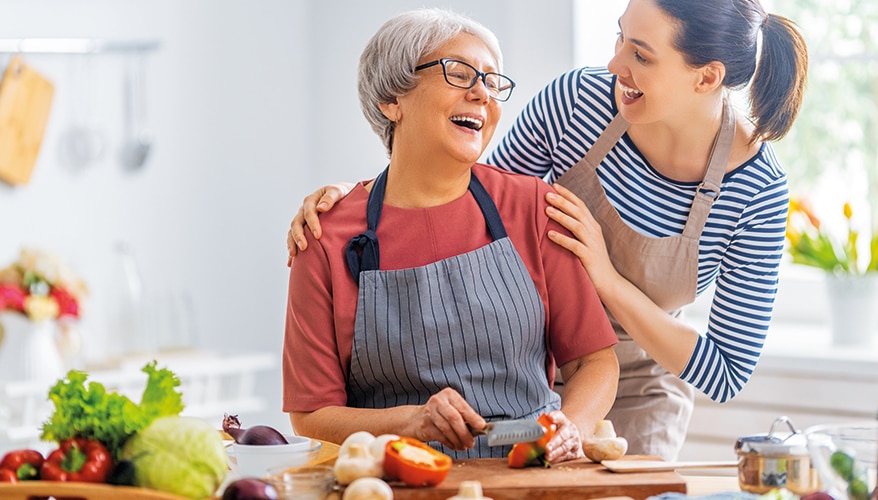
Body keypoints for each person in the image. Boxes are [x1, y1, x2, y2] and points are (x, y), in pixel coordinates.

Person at [287, 0, 807, 461]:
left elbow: (725, 372)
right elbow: (463, 188)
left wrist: (606, 278)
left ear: (707, 78)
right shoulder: (579, 102)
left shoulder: (757, 190)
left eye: (642, 55)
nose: (615, 64)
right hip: (523, 349)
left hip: (635, 376)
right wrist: (359, 199)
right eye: (620, 37)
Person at [281, 8, 620, 462]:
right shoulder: (325, 236)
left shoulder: (536, 208)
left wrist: (570, 428)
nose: (482, 93)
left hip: (533, 475)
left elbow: (593, 362)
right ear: (392, 99)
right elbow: (312, 415)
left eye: (492, 82)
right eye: (459, 74)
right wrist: (410, 422)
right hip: (399, 480)